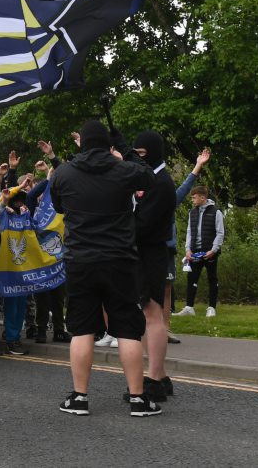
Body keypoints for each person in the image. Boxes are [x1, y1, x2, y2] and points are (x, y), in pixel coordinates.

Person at [50, 121, 161, 418]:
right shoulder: (123, 170)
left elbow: (58, 206)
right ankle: (138, 399)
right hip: (119, 259)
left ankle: (79, 397)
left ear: (82, 143)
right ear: (106, 143)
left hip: (80, 260)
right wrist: (123, 149)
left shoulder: (64, 173)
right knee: (127, 329)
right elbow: (150, 177)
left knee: (82, 329)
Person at [132, 130, 178, 401]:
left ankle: (154, 379)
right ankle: (159, 374)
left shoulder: (161, 183)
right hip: (147, 253)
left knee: (153, 315)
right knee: (150, 315)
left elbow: (143, 225)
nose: (138, 159)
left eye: (141, 154)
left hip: (150, 254)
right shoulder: (154, 177)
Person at [178, 185, 224, 317]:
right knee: (191, 278)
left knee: (212, 278)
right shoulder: (192, 212)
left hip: (210, 252)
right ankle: (189, 307)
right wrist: (188, 249)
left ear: (203, 197)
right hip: (194, 252)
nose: (192, 200)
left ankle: (211, 308)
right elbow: (189, 232)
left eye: (194, 197)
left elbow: (220, 233)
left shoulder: (216, 212)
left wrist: (214, 250)